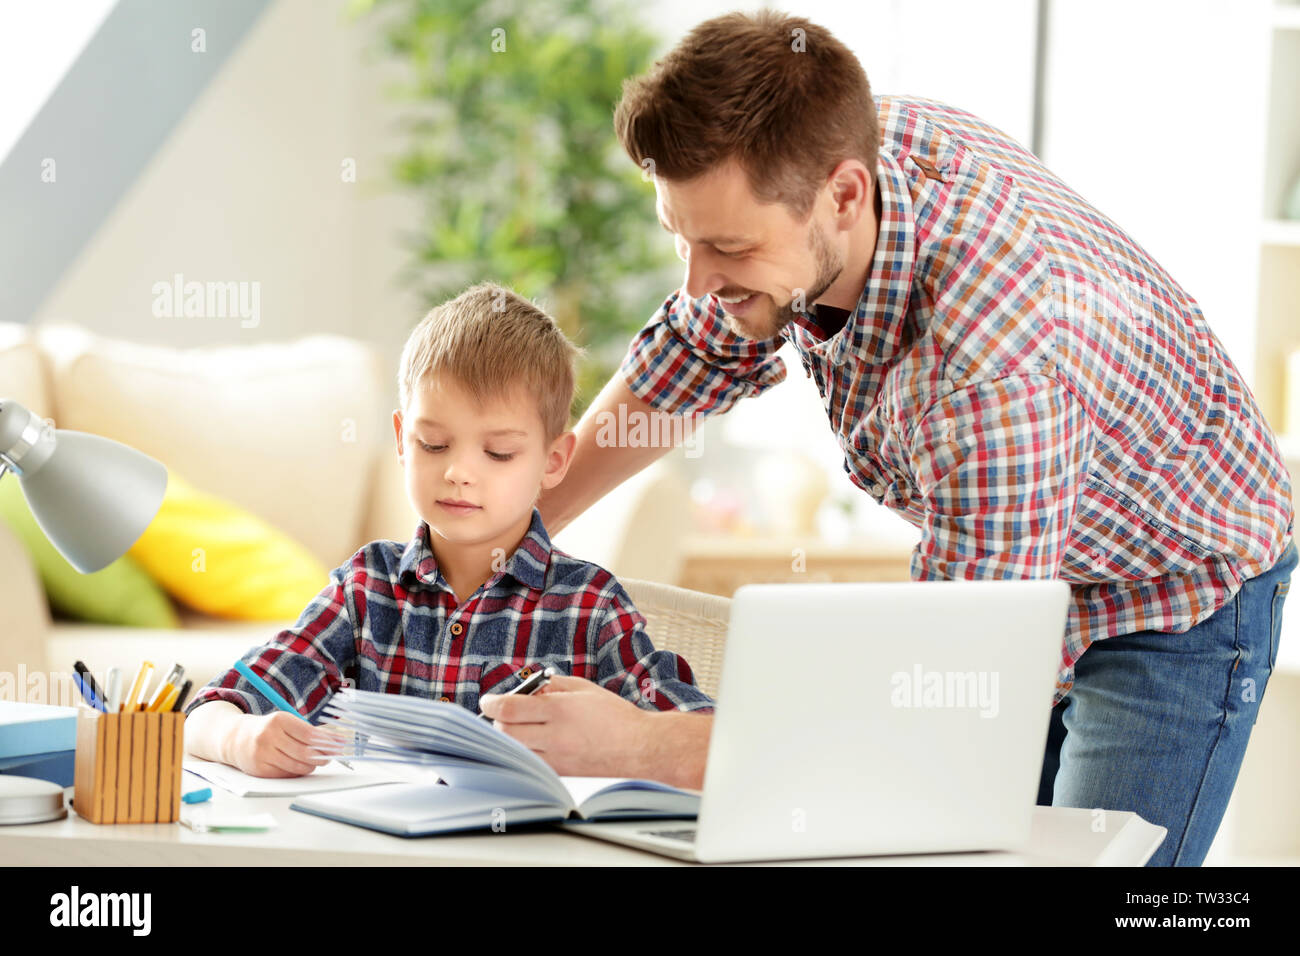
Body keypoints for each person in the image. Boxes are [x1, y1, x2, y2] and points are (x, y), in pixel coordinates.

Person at [484, 11, 1297, 866]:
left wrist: (640, 746)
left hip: (1172, 582)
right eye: (679, 239)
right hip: (1027, 539)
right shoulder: (832, 153)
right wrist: (517, 527)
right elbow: (696, 348)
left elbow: (941, 715)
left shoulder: (991, 372)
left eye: (727, 247)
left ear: (844, 194)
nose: (697, 282)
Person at [182, 282, 714, 778]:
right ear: (401, 437)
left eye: (498, 452)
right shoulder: (365, 588)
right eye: (433, 444)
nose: (459, 471)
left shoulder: (590, 607)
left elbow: (706, 738)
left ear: (554, 460)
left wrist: (629, 743)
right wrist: (241, 739)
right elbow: (214, 707)